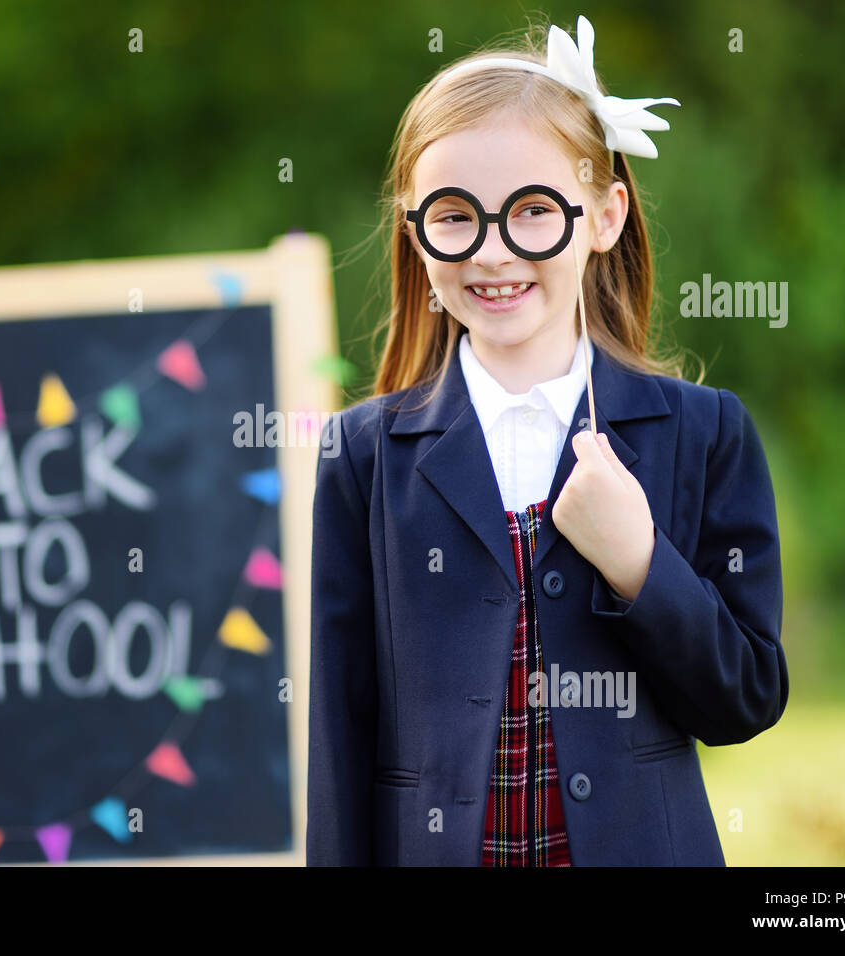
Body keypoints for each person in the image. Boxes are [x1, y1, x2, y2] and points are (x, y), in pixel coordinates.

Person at [306, 14, 787, 866]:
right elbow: (340, 739)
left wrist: (640, 563)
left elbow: (743, 700)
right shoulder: (365, 458)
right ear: (417, 235)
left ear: (603, 216)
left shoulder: (705, 433)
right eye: (456, 218)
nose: (494, 253)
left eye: (532, 212)